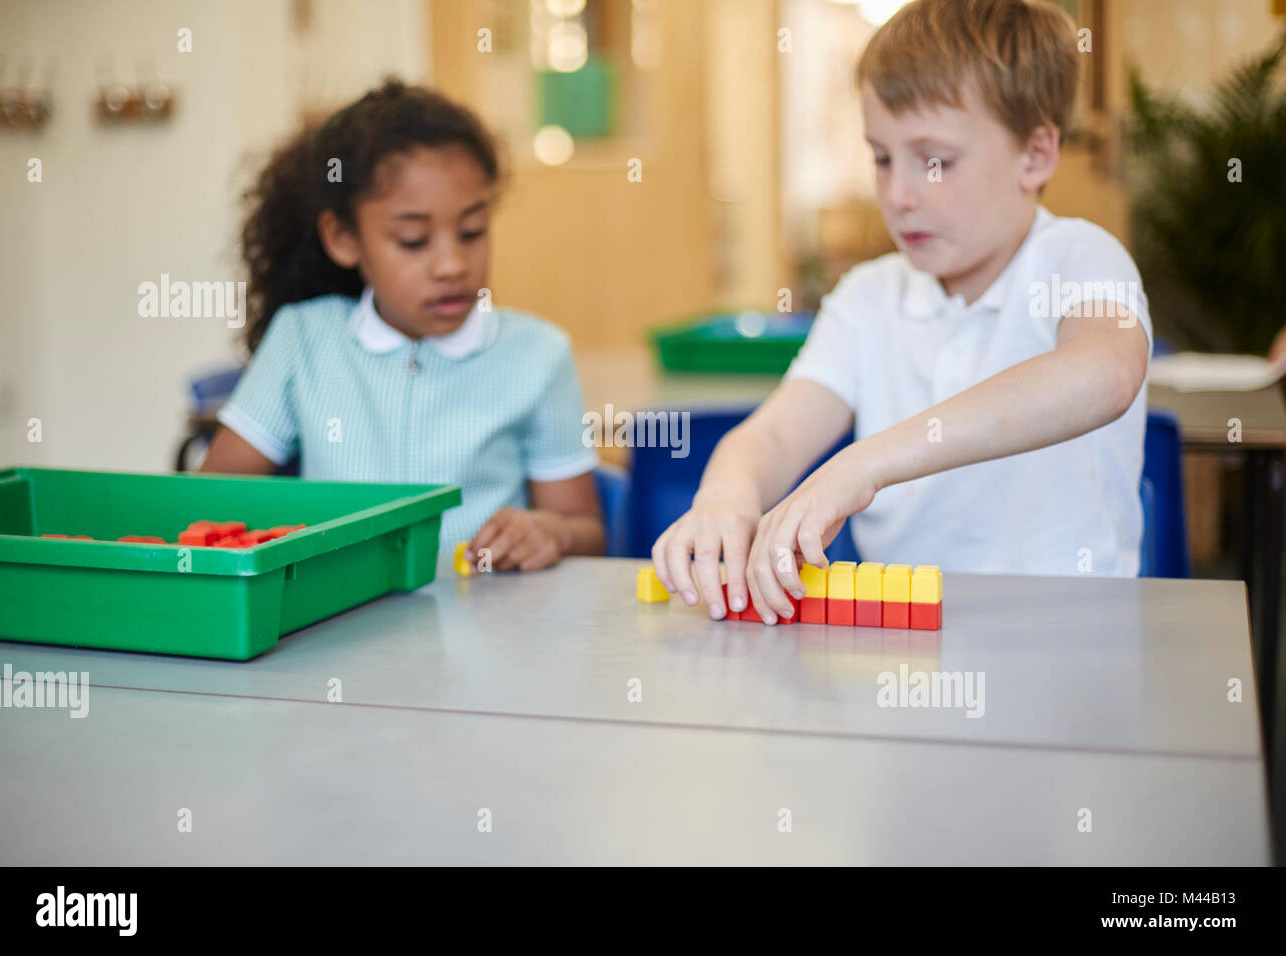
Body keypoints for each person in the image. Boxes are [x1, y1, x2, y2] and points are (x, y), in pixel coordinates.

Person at [654, 0, 1152, 623]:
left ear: (1036, 155)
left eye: (935, 161)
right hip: (907, 647)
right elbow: (777, 433)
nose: (898, 195)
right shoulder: (867, 296)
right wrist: (725, 496)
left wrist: (864, 463)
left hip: (1068, 640)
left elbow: (1104, 373)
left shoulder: (1080, 259)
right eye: (882, 158)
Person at [202, 79, 604, 571]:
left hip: (491, 628)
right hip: (342, 629)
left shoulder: (538, 354)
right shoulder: (303, 340)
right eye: (414, 240)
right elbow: (210, 504)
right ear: (344, 238)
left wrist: (551, 532)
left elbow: (586, 529)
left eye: (473, 232)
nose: (452, 265)